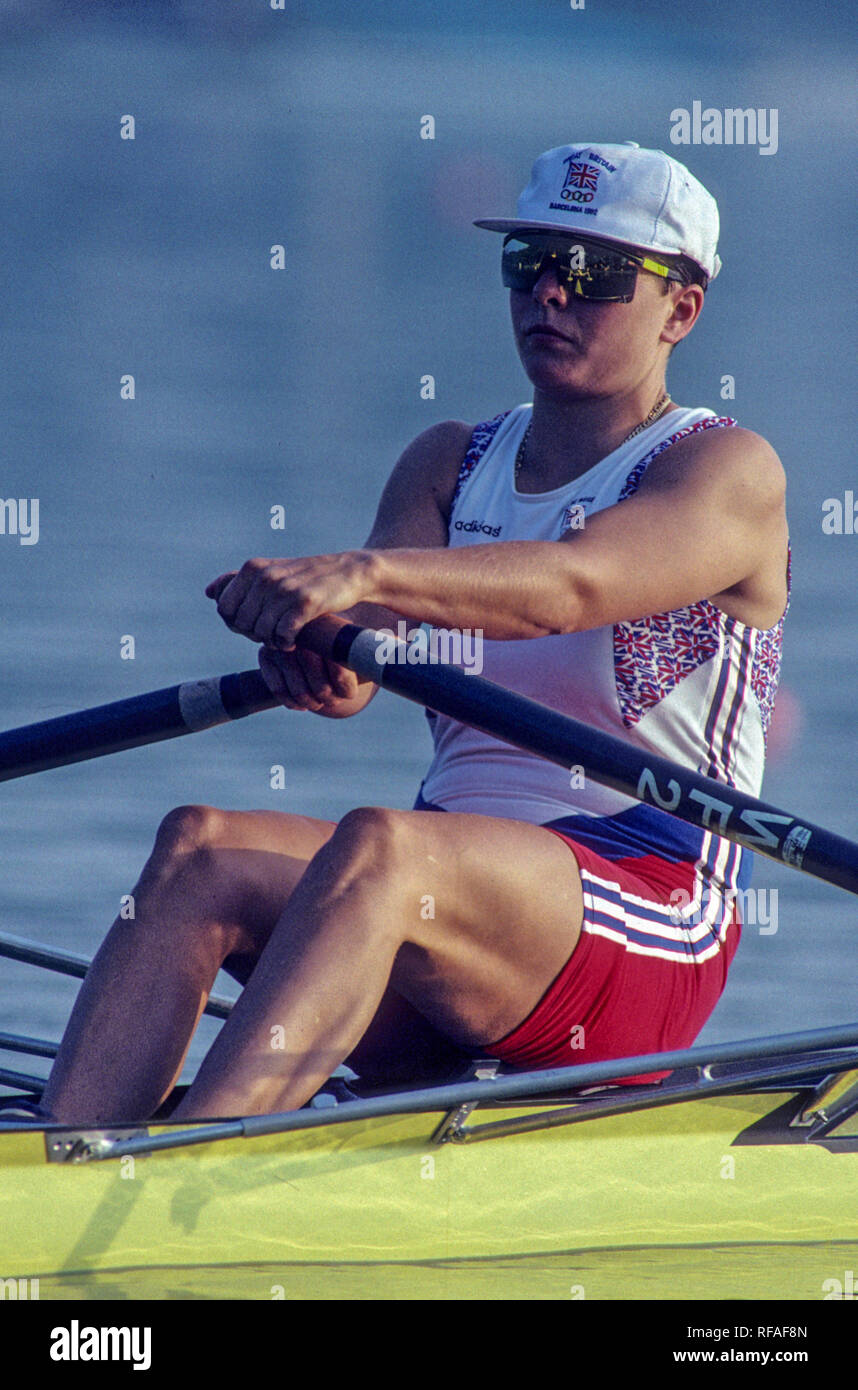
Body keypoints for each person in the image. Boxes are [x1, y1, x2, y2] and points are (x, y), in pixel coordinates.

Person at [39, 141, 789, 1125]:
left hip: (646, 907)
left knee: (386, 848)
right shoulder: (447, 462)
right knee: (198, 848)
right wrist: (315, 642)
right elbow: (362, 668)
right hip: (450, 903)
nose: (551, 293)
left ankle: (191, 1167)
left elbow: (569, 585)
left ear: (681, 310)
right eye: (528, 259)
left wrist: (361, 572)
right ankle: (63, 1157)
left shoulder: (725, 472)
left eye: (595, 272)